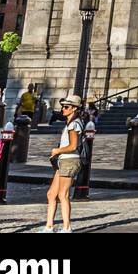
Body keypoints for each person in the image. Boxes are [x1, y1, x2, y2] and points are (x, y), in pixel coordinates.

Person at [43, 95, 84, 233]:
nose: (63, 109)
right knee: (51, 194)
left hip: (70, 160)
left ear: (74, 109)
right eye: (63, 106)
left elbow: (73, 145)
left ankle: (67, 228)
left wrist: (57, 150)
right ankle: (49, 226)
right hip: (63, 160)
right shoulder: (70, 123)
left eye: (67, 107)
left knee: (63, 194)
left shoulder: (74, 124)